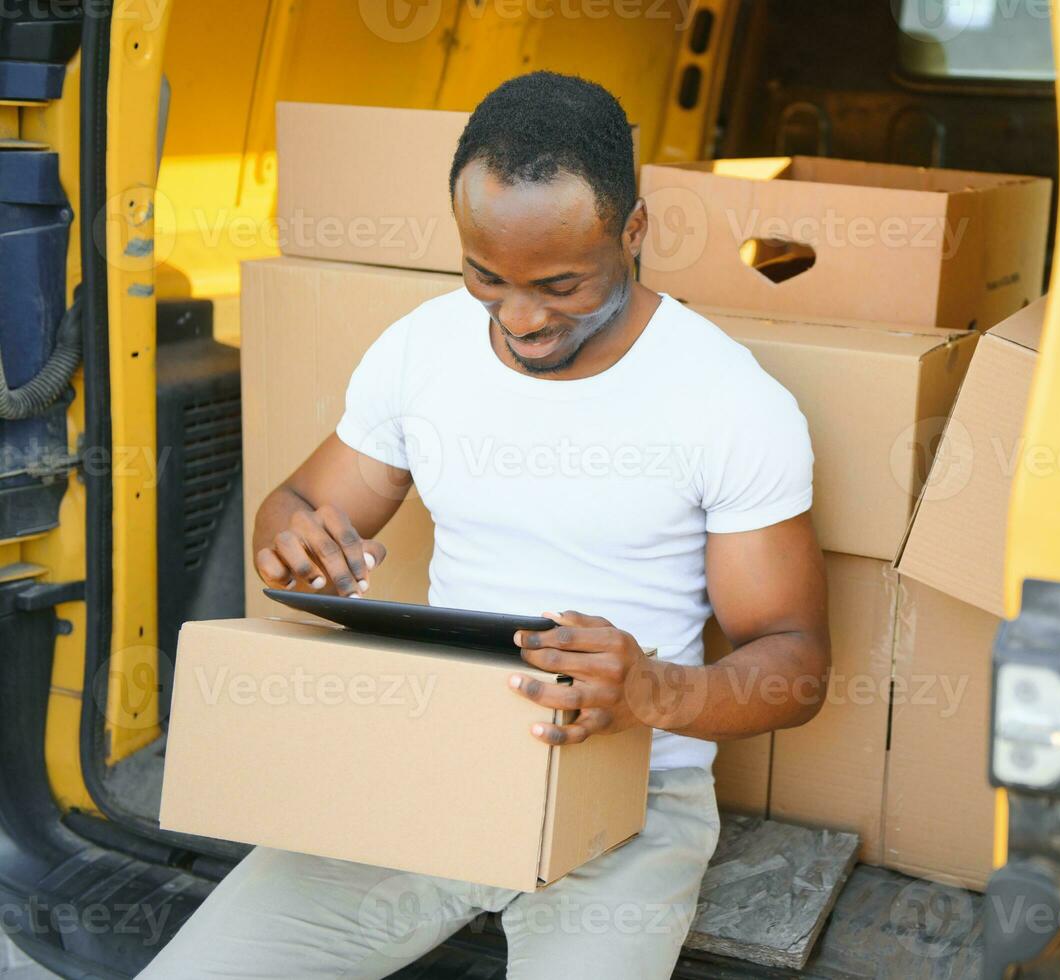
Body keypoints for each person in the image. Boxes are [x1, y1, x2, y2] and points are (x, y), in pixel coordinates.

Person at [137, 71, 829, 979]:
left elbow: (795, 666)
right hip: (432, 761)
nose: (521, 319)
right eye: (485, 277)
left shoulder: (731, 401)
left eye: (559, 284)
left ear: (632, 233)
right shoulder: (421, 348)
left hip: (628, 796)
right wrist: (293, 535)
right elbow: (301, 502)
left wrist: (650, 693)